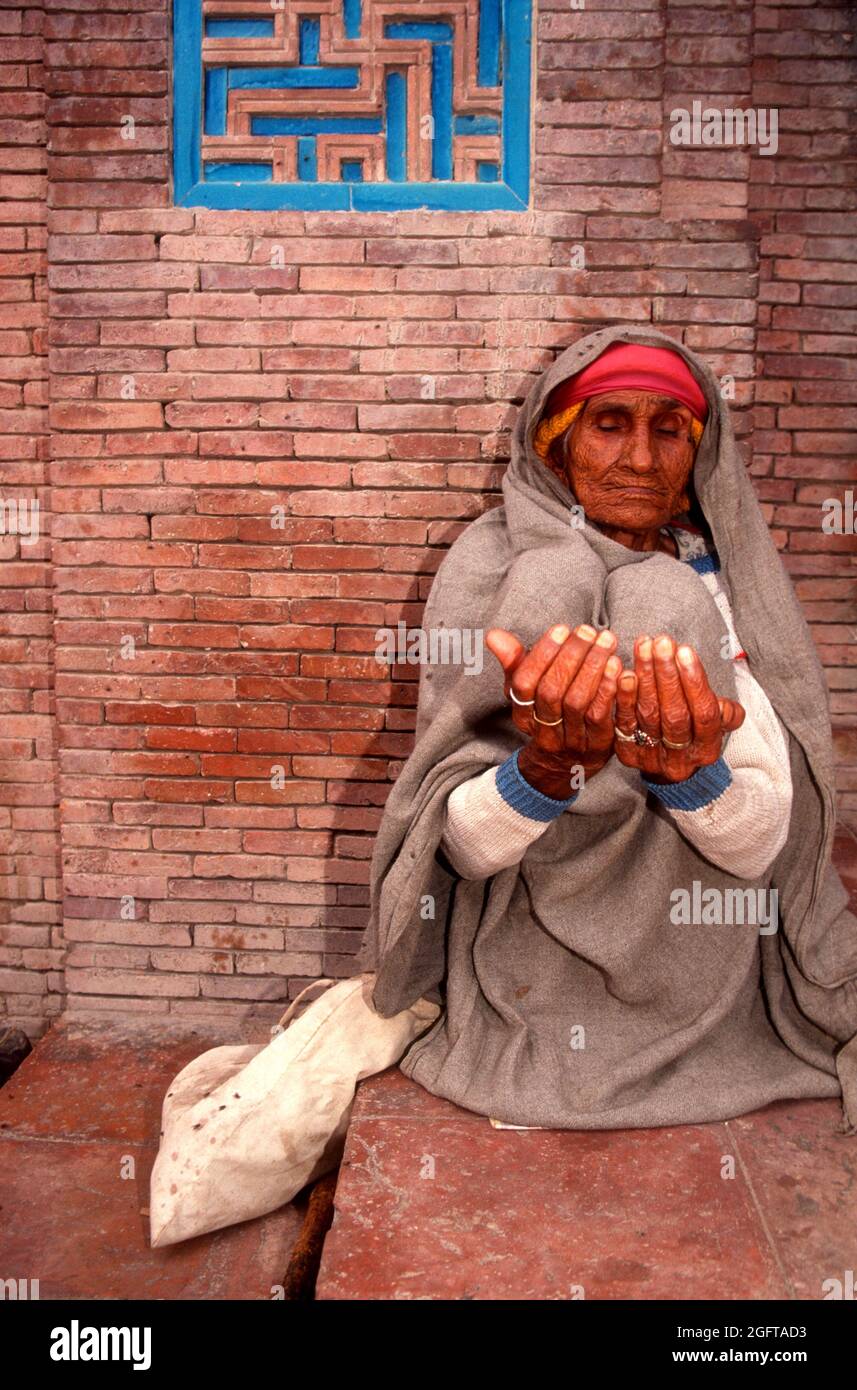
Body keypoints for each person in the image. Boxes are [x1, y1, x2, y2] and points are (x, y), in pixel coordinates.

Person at [357, 325, 857, 1134]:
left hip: (700, 936)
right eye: (609, 423)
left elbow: (764, 844)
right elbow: (456, 848)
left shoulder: (721, 585)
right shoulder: (491, 570)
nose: (639, 458)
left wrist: (687, 776)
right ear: (555, 450)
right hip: (525, 948)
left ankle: (686, 1028)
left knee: (662, 598)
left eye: (668, 431)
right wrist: (546, 771)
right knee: (571, 580)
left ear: (696, 457)